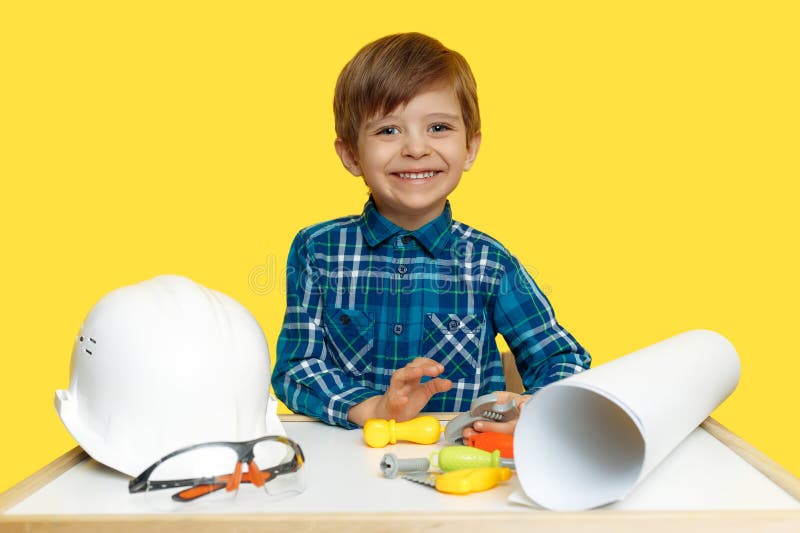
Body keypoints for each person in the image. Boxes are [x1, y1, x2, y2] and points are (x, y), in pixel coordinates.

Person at [271, 33, 591, 435]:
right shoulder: (318, 251)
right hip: (350, 462)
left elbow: (562, 358)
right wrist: (371, 408)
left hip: (461, 462)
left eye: (438, 127)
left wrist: (532, 407)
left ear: (470, 148)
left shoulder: (488, 262)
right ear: (352, 155)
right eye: (388, 131)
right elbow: (296, 368)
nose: (416, 148)